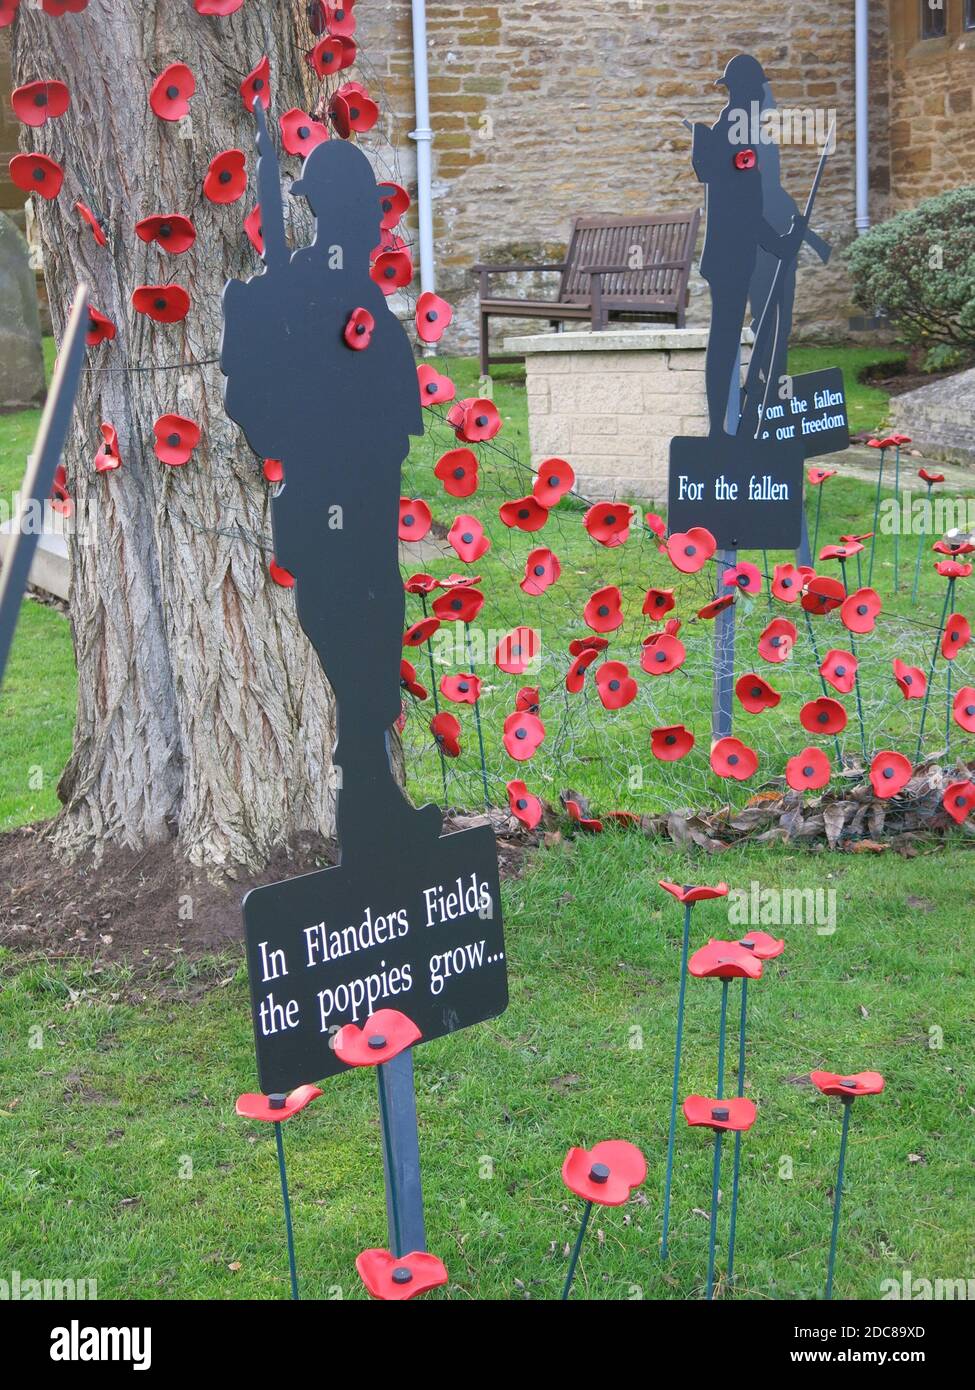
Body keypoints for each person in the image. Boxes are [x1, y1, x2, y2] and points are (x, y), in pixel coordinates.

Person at [221, 137, 440, 859]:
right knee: (352, 647)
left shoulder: (355, 291)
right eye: (358, 210)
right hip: (326, 504)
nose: (374, 226)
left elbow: (392, 411)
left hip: (367, 501)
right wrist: (253, 324)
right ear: (329, 212)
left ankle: (375, 811)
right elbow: (262, 410)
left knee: (373, 648)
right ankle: (366, 820)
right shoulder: (293, 290)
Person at [689, 54, 805, 436]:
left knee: (725, 339)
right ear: (743, 92)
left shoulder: (740, 132)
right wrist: (779, 244)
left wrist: (781, 243)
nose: (760, 96)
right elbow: (743, 209)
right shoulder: (734, 133)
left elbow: (745, 204)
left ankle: (723, 426)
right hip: (730, 257)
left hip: (733, 253)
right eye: (755, 90)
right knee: (723, 342)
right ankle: (718, 429)